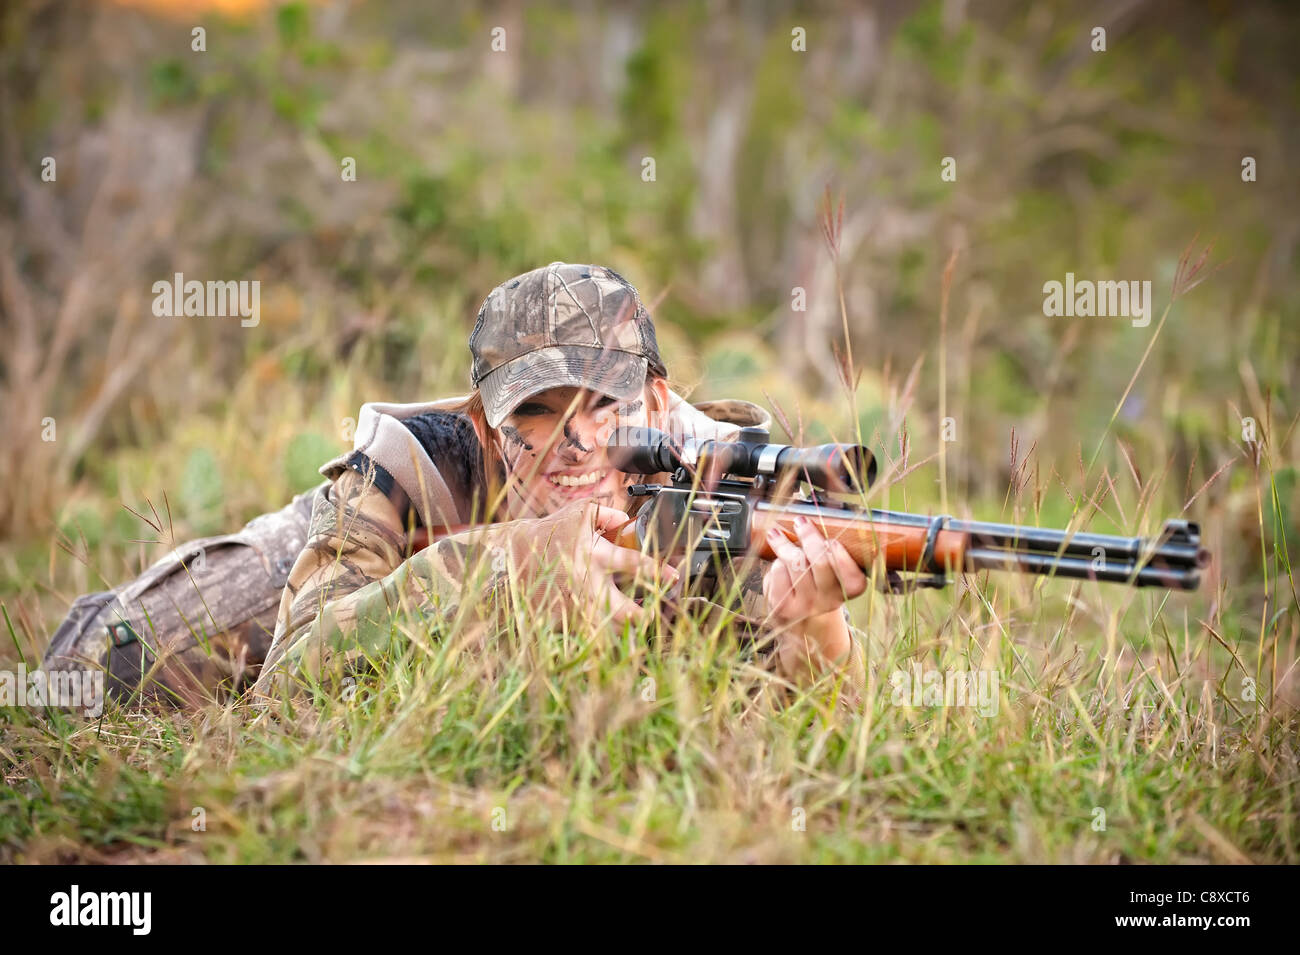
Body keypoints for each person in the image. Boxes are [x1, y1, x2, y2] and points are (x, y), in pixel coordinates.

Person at [250, 262, 868, 704]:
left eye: (605, 404)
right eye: (537, 411)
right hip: (296, 557)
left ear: (657, 402)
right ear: (487, 427)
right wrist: (508, 572)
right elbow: (283, 687)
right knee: (161, 652)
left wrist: (818, 631)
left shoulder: (720, 499)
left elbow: (796, 733)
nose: (579, 445)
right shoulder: (409, 473)